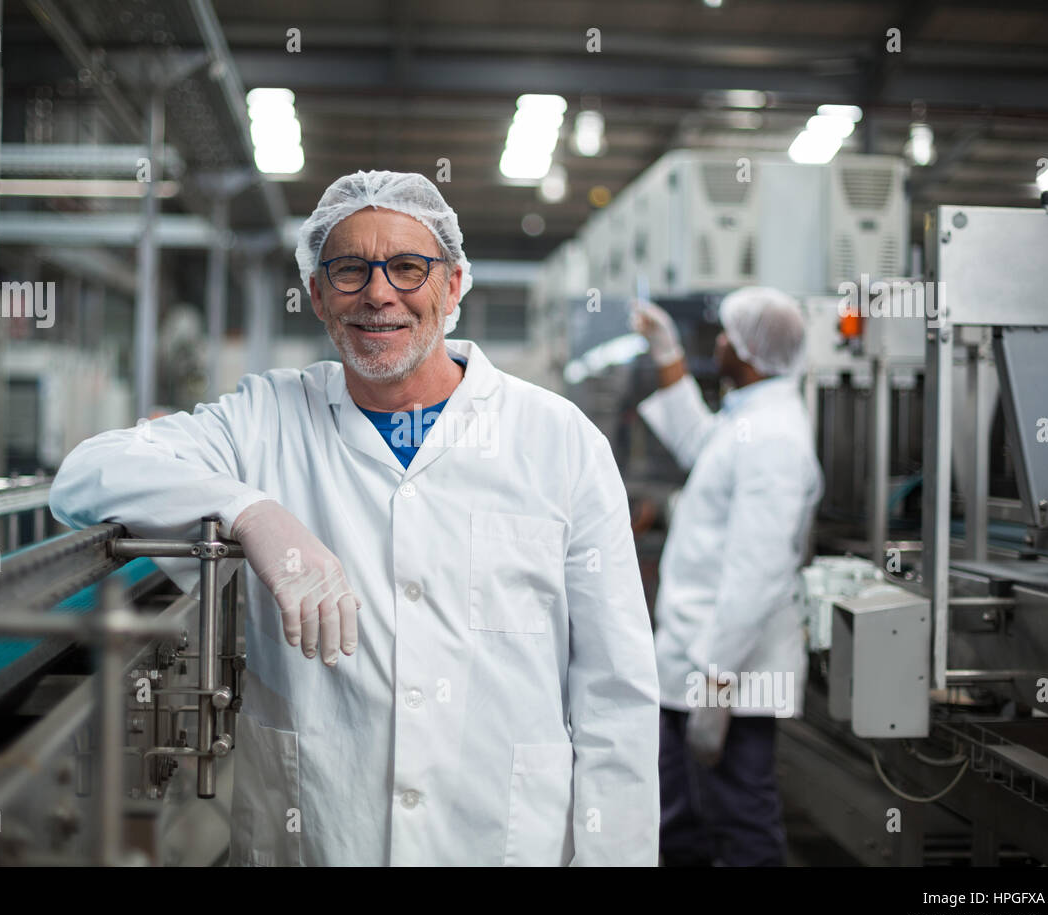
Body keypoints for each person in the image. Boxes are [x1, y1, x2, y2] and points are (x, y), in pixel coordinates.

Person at [50, 170, 661, 866]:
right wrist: (252, 512)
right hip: (318, 838)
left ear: (453, 284)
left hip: (502, 842)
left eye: (408, 268)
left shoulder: (559, 440)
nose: (378, 293)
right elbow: (86, 475)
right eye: (349, 270)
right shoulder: (265, 420)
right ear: (316, 293)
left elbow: (617, 692)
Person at [632, 287, 822, 867]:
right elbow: (699, 442)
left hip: (728, 677)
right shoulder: (749, 418)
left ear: (748, 348)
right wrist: (667, 354)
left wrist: (716, 684)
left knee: (740, 825)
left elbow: (757, 572)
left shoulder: (774, 439)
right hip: (696, 665)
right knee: (679, 820)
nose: (717, 343)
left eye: (727, 335)